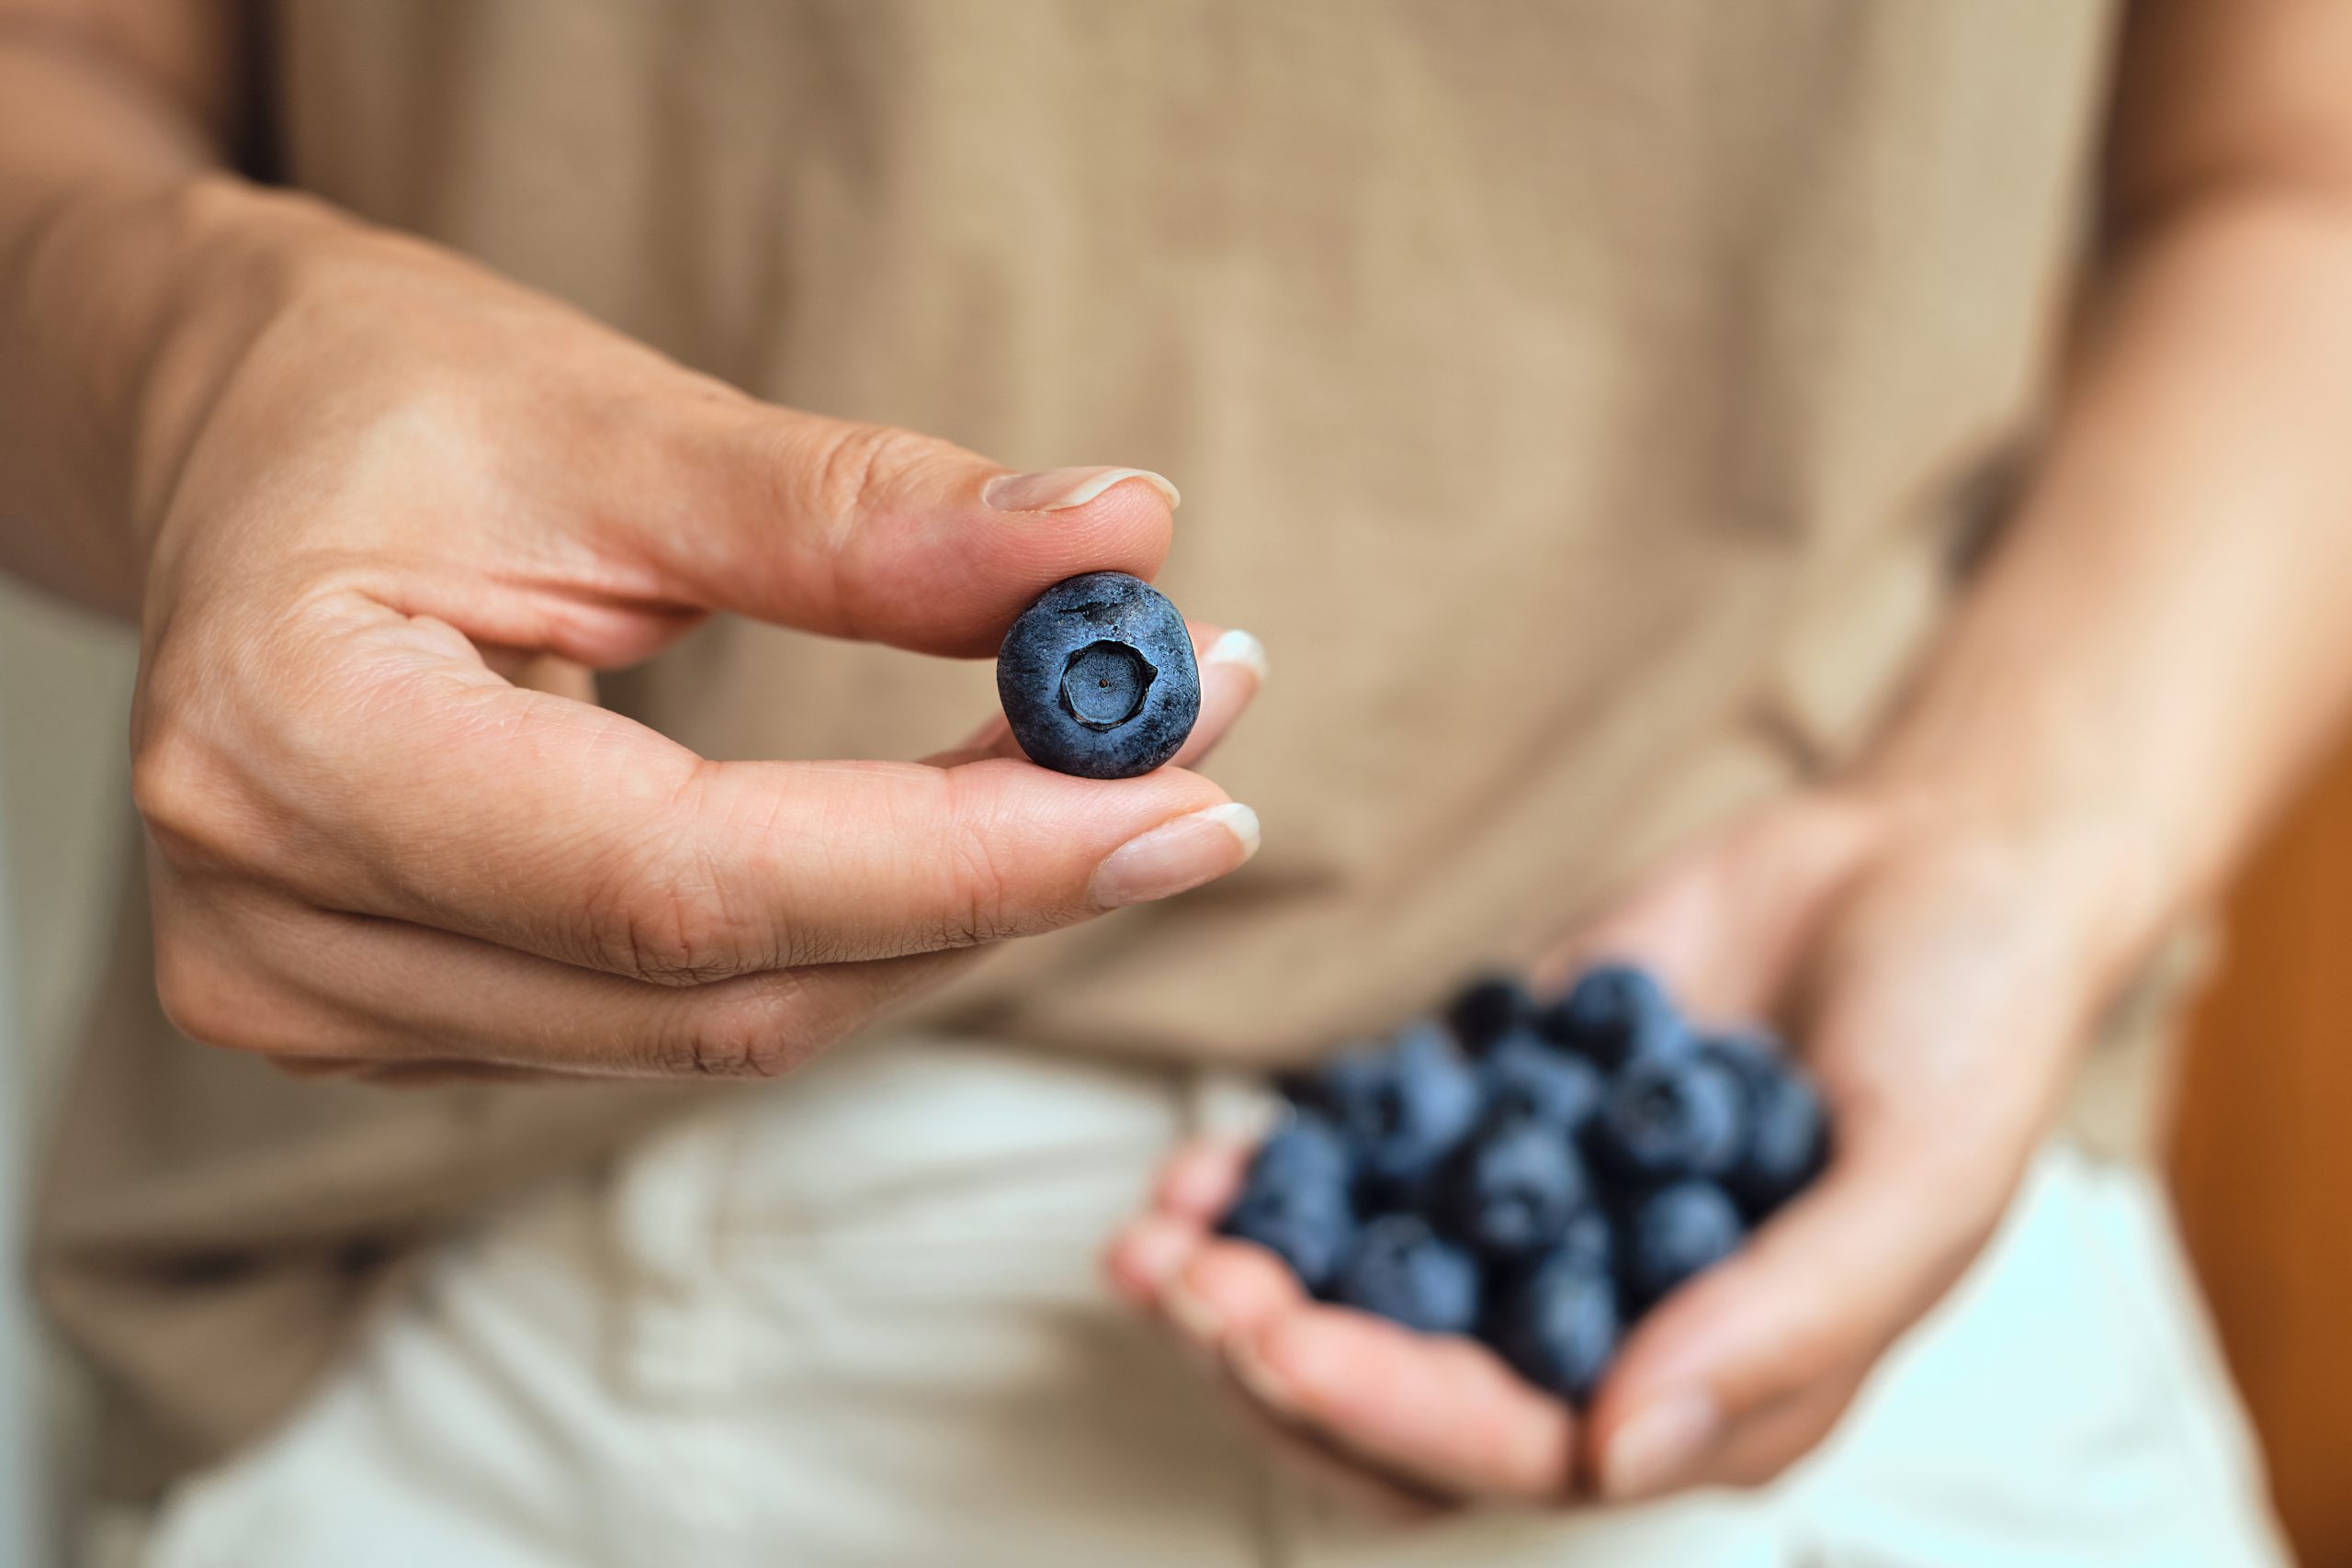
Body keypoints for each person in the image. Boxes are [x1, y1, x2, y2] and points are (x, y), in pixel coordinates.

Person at [3, 0, 2345, 1562]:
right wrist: (215, 371)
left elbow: (2299, 176)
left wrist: (2007, 839)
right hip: (508, 1342)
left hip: (1851, 1261)